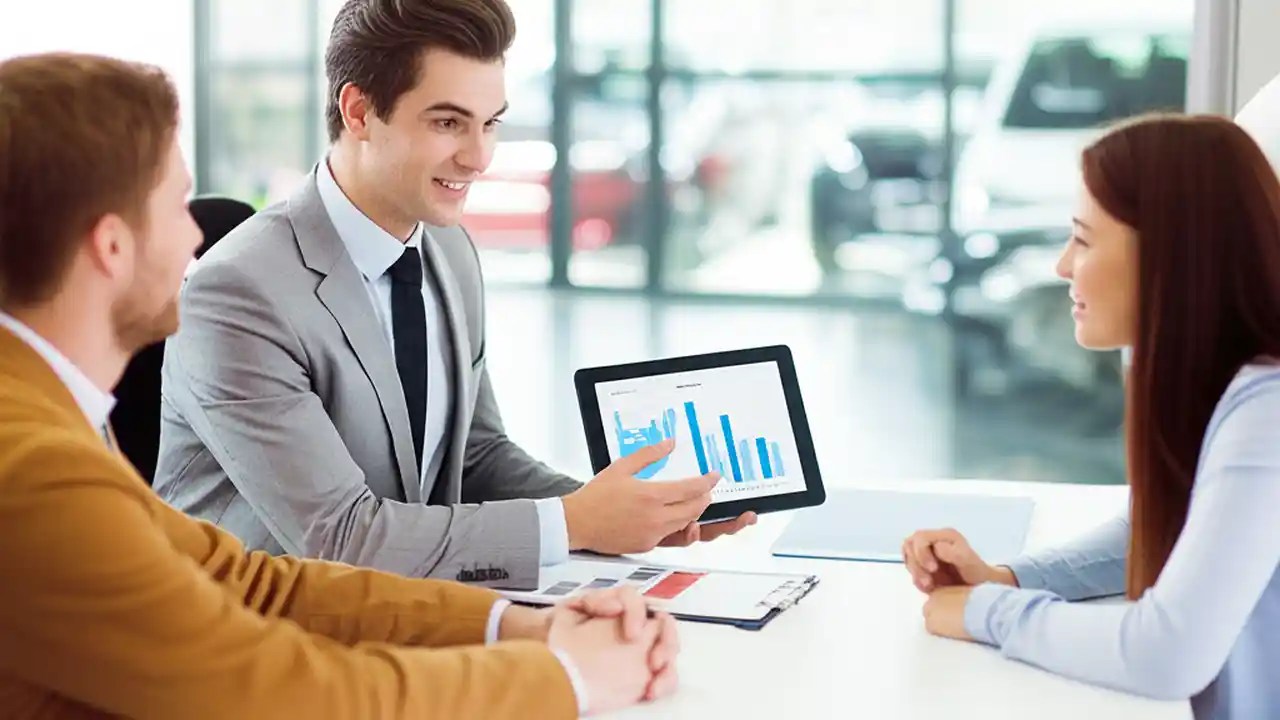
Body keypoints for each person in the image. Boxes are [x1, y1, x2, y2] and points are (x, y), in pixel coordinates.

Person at [0, 51, 680, 719]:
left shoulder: (53, 425)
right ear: (110, 246)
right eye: (178, 204)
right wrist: (564, 677)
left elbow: (252, 584)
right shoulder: (36, 469)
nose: (197, 237)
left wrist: (521, 627)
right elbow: (278, 691)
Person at [153, 0, 755, 589]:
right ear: (359, 111)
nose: (479, 157)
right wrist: (576, 521)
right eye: (448, 123)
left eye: (489, 122)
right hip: (256, 641)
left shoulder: (448, 250)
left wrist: (625, 514)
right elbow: (339, 539)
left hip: (406, 611)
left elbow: (475, 456)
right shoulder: (238, 294)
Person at [901, 114, 1280, 719]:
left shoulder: (1267, 413)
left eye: (1083, 239)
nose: (1061, 266)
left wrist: (987, 614)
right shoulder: (1216, 384)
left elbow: (1168, 654)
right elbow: (1150, 530)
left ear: (1168, 256)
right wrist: (1008, 580)